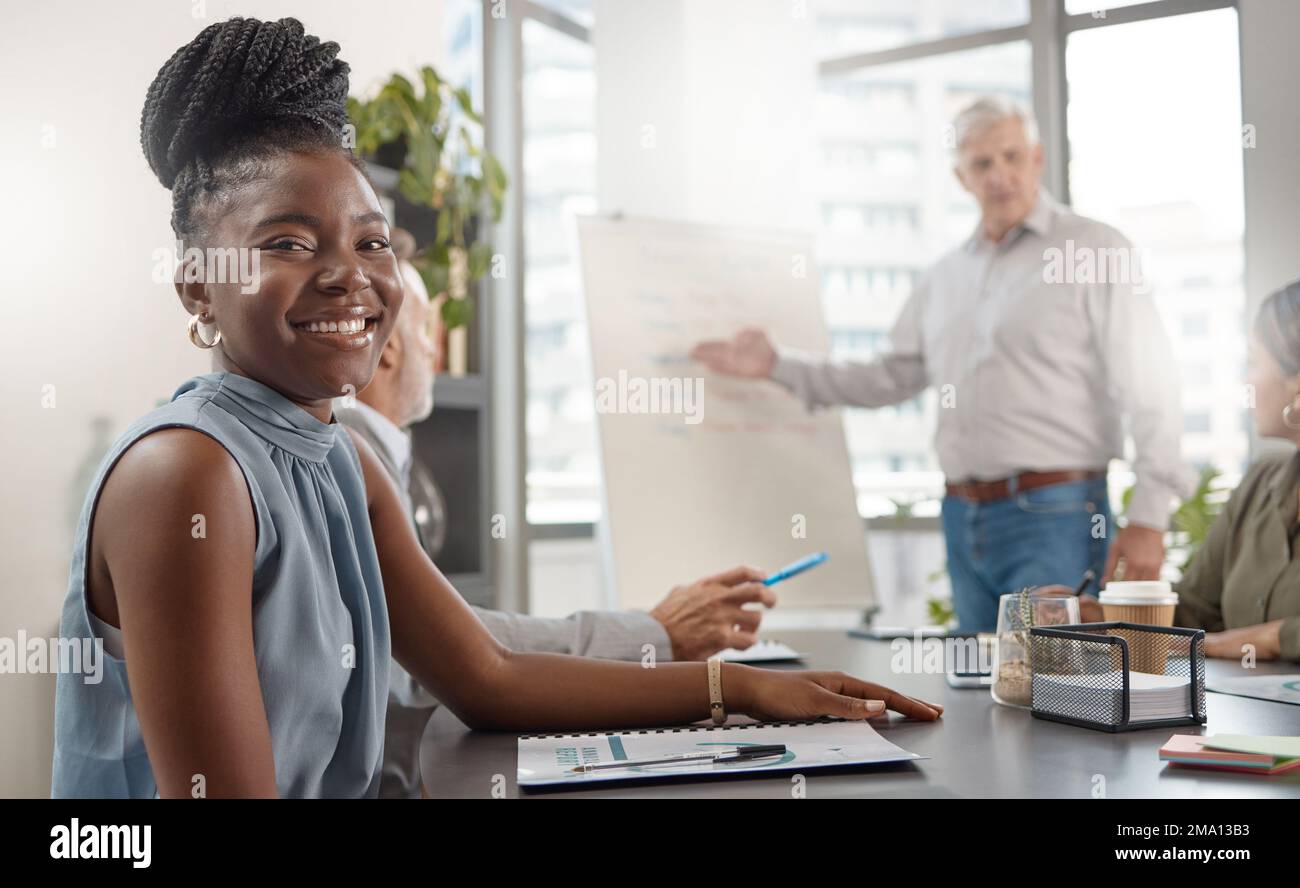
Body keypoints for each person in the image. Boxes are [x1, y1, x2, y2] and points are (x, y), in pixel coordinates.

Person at [51, 16, 941, 799]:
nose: (349, 276)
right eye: (287, 241)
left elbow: (488, 676)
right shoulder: (187, 475)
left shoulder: (341, 460)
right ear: (199, 290)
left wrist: (741, 688)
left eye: (372, 243)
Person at [692, 96, 1191, 633]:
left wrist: (1149, 518)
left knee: (1059, 688)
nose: (1000, 174)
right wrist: (776, 364)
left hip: (1059, 513)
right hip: (962, 518)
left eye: (1011, 156)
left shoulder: (1095, 249)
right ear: (961, 177)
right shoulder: (944, 278)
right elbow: (889, 376)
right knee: (983, 688)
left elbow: (1153, 387)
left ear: (1038, 159)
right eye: (982, 163)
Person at [337, 231, 782, 797]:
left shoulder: (379, 459)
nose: (436, 351)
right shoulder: (347, 462)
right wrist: (656, 638)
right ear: (391, 348)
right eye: (426, 329)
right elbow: (460, 652)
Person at [1052, 282, 1300, 662]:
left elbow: (1210, 639)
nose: (1245, 380)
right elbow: (1195, 611)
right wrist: (1106, 618)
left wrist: (1270, 638)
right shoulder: (1262, 483)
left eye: (1255, 361)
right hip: (1242, 716)